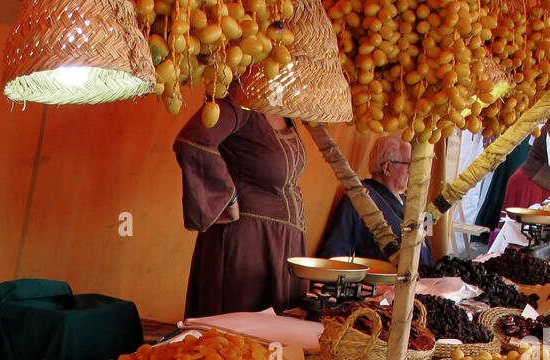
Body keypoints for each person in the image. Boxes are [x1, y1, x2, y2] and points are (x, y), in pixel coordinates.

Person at [173, 95, 308, 318]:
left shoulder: (285, 105)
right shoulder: (239, 101)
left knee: (278, 337)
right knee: (238, 340)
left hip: (287, 242)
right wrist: (227, 198)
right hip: (247, 243)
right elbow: (193, 141)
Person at [317, 136, 431, 266]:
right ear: (387, 168)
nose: (413, 170)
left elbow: (427, 238)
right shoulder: (359, 198)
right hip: (383, 283)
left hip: (424, 282)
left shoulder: (411, 201)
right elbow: (336, 253)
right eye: (408, 164)